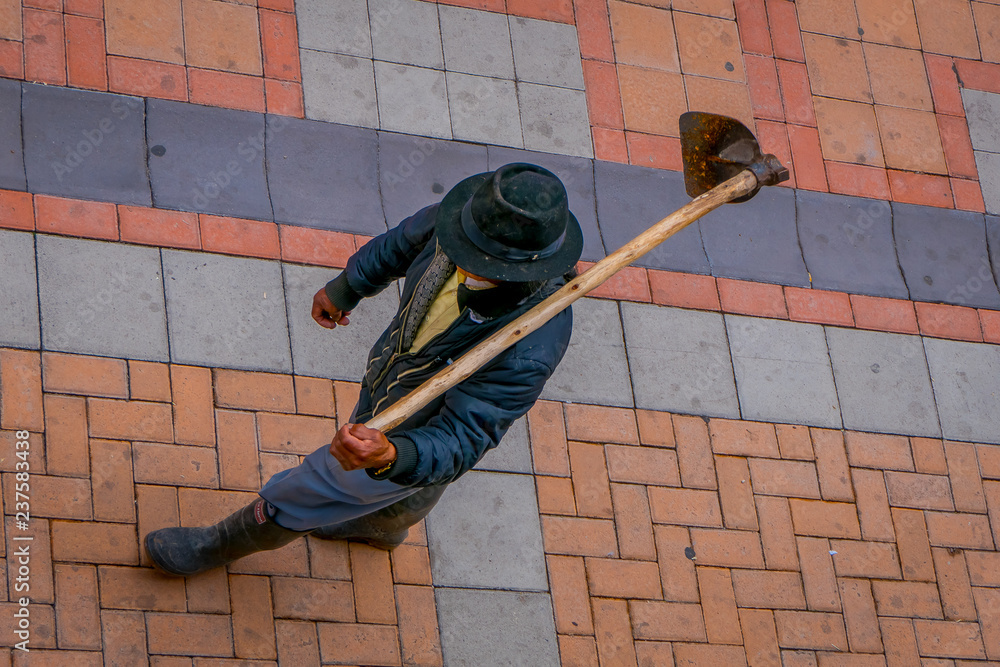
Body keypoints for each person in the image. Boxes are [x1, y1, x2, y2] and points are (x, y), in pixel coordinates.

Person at [144, 163, 584, 576]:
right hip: (389, 382)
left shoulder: (531, 344)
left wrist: (393, 456)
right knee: (404, 485)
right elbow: (400, 245)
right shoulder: (463, 222)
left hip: (413, 432)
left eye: (476, 257)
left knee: (309, 489)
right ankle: (382, 525)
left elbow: (467, 434)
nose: (456, 252)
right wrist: (349, 286)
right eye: (461, 243)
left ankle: (218, 545)